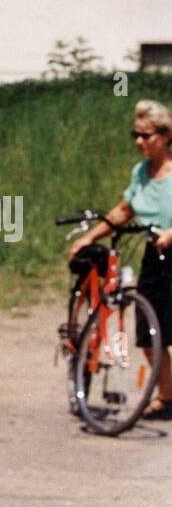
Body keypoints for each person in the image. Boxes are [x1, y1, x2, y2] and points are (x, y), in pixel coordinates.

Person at [68, 99, 172, 418]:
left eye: (147, 135)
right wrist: (90, 236)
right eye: (136, 135)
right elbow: (124, 210)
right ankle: (168, 397)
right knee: (149, 330)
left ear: (166, 134)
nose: (140, 142)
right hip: (157, 256)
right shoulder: (141, 172)